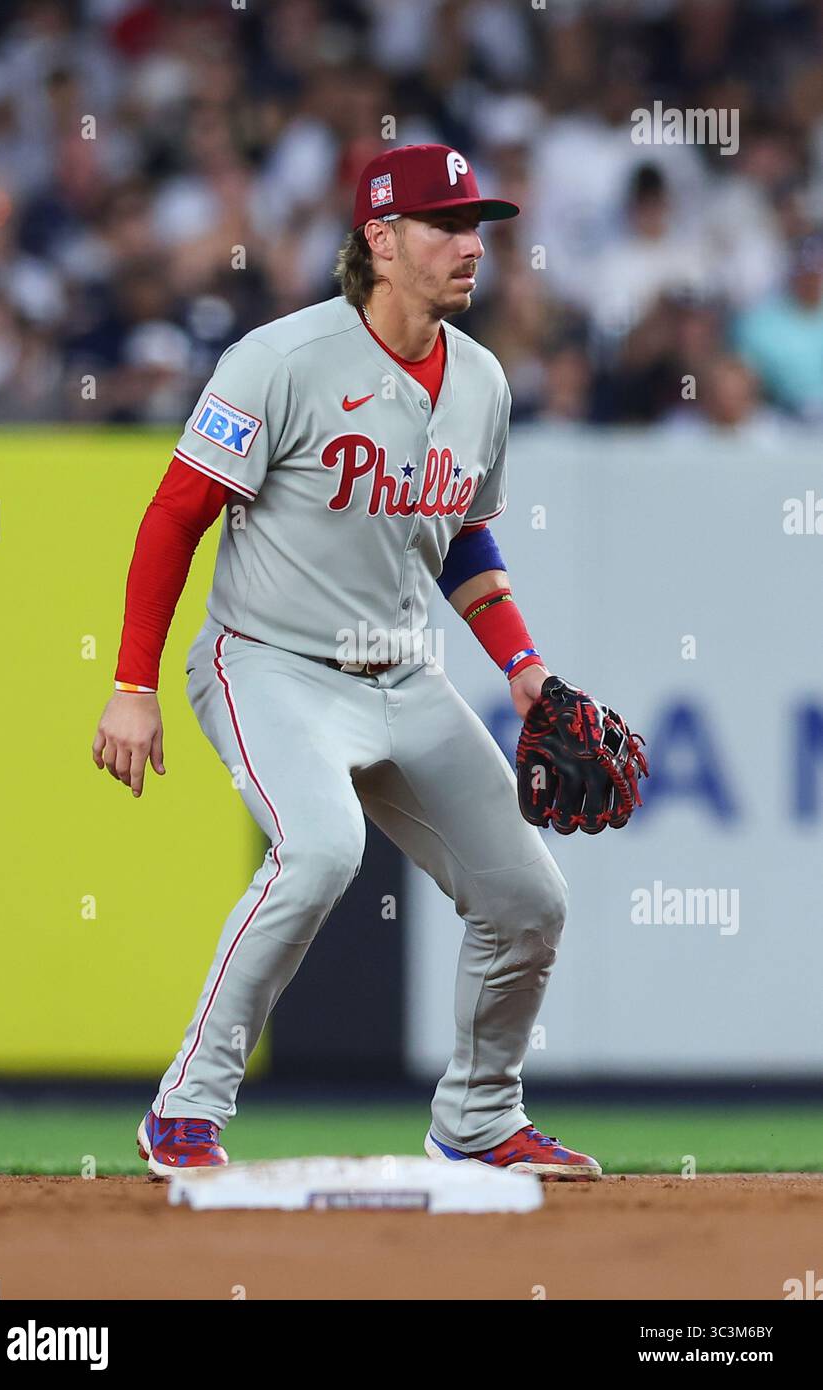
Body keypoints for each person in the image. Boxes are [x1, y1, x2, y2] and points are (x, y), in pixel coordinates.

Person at [91, 143, 601, 1181]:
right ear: (378, 238)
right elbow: (175, 515)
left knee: (527, 898)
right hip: (269, 662)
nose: (470, 246)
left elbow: (461, 537)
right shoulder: (279, 360)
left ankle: (475, 1116)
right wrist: (132, 684)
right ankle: (185, 1108)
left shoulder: (482, 380)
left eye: (477, 226)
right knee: (319, 852)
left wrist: (522, 666)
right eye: (445, 225)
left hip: (406, 678)